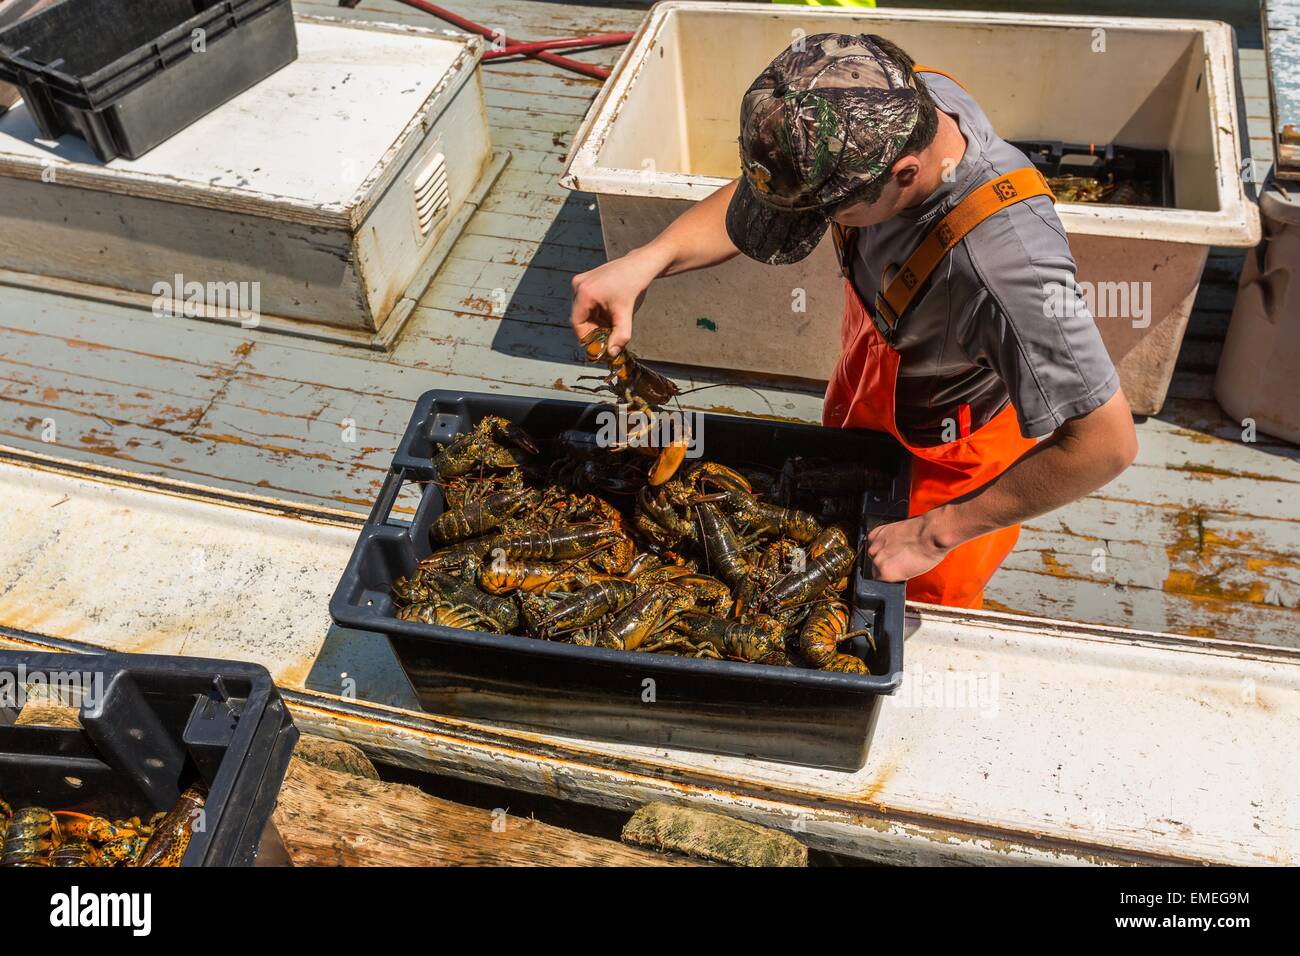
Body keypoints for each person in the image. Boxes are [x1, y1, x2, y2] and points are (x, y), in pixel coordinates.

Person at [569, 33, 1138, 608]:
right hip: (873, 389)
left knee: (915, 602)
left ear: (905, 173)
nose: (820, 223)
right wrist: (648, 260)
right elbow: (778, 189)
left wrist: (936, 532)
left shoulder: (1008, 270)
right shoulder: (890, 96)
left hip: (949, 463)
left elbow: (1105, 445)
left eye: (828, 213)